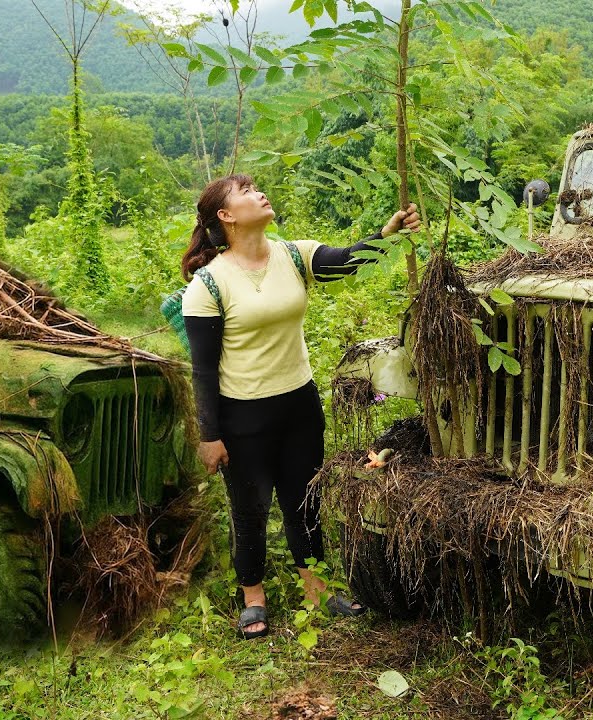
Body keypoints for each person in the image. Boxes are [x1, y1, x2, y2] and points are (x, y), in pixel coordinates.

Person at [180, 173, 420, 639]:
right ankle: (253, 598)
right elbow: (204, 372)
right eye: (246, 192)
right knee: (249, 509)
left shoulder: (294, 254)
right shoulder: (209, 285)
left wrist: (387, 235)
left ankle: (317, 588)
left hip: (298, 405)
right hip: (242, 414)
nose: (259, 194)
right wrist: (209, 436)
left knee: (303, 502)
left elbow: (348, 261)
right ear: (225, 217)